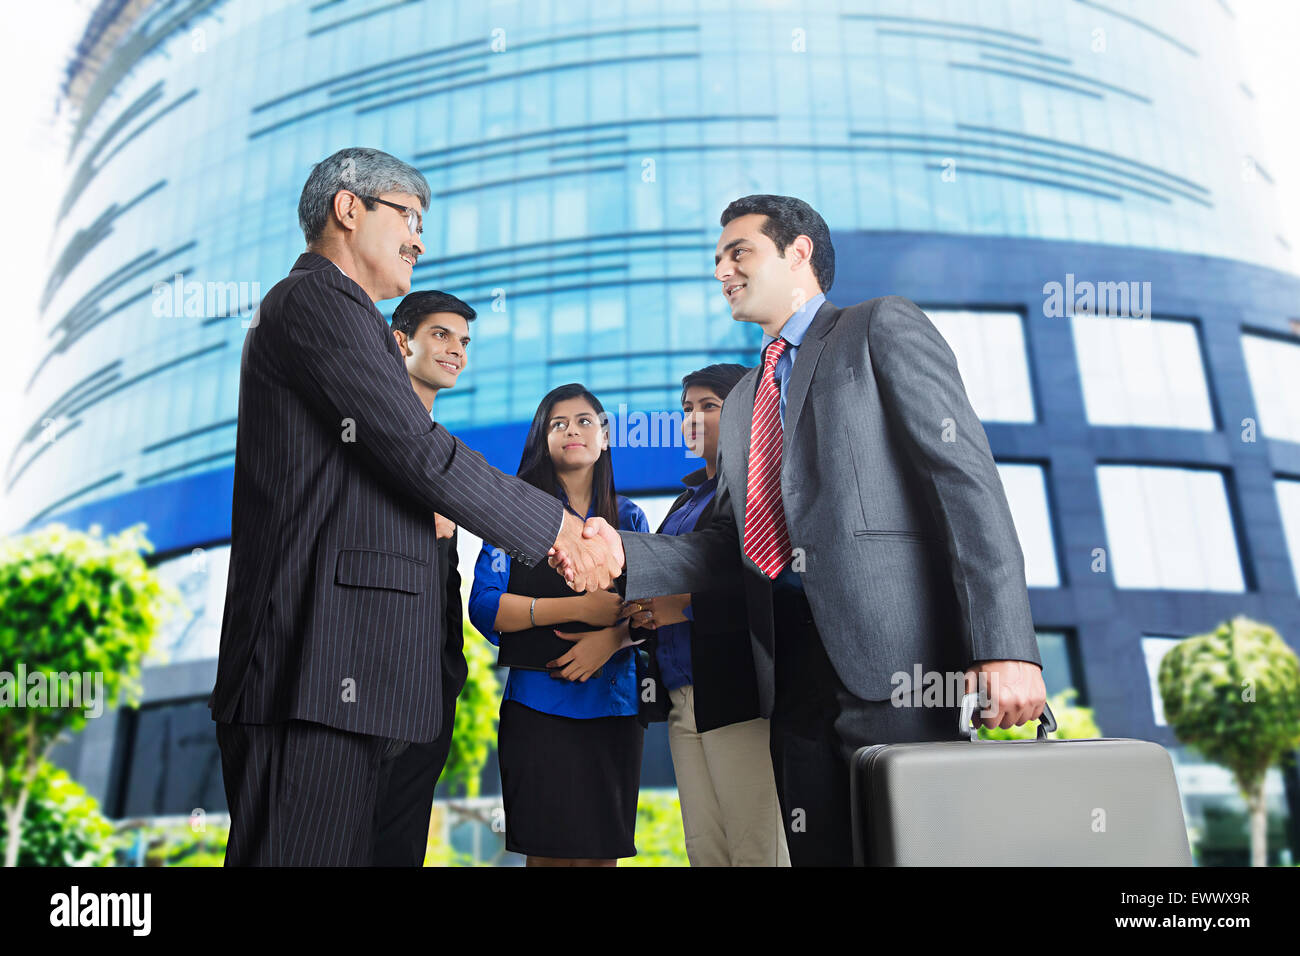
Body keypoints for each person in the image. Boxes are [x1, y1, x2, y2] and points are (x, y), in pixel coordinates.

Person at [559, 195, 1048, 866]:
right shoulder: (741, 403)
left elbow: (965, 483)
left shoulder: (877, 328)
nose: (721, 271)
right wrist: (622, 553)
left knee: (911, 852)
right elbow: (731, 543)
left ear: (798, 253)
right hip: (787, 676)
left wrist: (1007, 647)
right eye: (717, 259)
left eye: (738, 252)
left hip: (897, 667)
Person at [209, 147, 619, 867]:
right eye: (409, 217)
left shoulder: (351, 318)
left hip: (355, 678)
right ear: (348, 208)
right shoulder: (316, 301)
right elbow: (416, 450)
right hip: (312, 669)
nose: (420, 240)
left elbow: (403, 465)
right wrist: (558, 530)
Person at [469, 384, 649, 867]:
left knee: (602, 856)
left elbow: (652, 610)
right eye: (558, 423)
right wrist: (579, 609)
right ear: (542, 439)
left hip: (613, 706)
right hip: (537, 707)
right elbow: (485, 606)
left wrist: (609, 640)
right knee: (547, 858)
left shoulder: (630, 517)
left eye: (585, 421)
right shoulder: (515, 515)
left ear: (605, 437)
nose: (573, 430)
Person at [624, 363, 790, 867]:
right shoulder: (684, 500)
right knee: (705, 849)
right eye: (686, 410)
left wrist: (681, 606)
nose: (692, 419)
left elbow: (771, 586)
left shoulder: (763, 486)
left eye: (708, 407)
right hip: (681, 695)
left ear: (744, 412)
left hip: (736, 692)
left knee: (755, 846)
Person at [371, 289, 476, 866]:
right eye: (441, 335)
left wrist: (447, 672)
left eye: (464, 341)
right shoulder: (364, 430)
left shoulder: (446, 451)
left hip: (431, 684)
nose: (456, 350)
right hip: (368, 679)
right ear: (401, 341)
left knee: (400, 845)